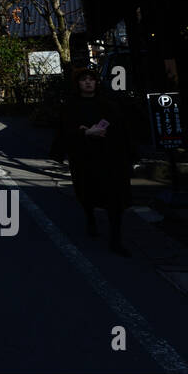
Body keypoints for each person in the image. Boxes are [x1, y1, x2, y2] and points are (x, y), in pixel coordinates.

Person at [54, 68, 135, 256]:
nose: (88, 83)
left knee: (115, 196)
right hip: (84, 157)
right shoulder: (70, 106)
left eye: (92, 79)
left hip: (110, 156)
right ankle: (90, 218)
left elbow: (122, 127)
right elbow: (64, 130)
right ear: (78, 84)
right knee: (86, 192)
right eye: (84, 80)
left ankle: (116, 239)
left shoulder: (108, 103)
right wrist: (84, 132)